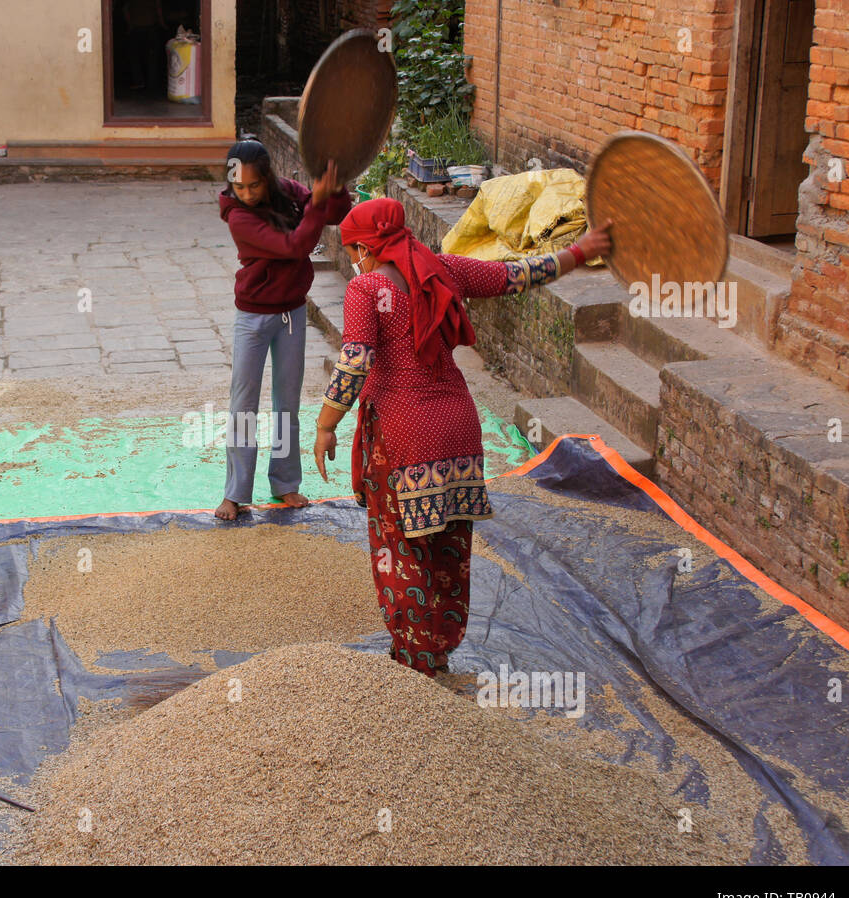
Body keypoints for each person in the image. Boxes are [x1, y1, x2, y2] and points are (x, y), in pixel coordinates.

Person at [313, 197, 612, 674]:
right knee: (450, 547)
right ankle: (441, 645)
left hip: (404, 434)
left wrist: (326, 424)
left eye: (352, 250)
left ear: (368, 247)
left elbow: (355, 359)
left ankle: (418, 661)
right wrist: (581, 249)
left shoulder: (367, 289)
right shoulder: (442, 271)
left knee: (401, 547)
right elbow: (517, 276)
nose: (353, 260)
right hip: (458, 431)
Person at [216, 140, 351, 521]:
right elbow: (294, 246)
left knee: (286, 402)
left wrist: (331, 189)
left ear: (269, 178)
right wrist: (317, 202)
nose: (246, 194)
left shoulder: (289, 194)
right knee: (243, 405)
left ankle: (285, 483)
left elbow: (337, 213)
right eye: (238, 187)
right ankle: (235, 492)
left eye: (253, 186)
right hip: (253, 318)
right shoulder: (238, 217)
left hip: (291, 313)